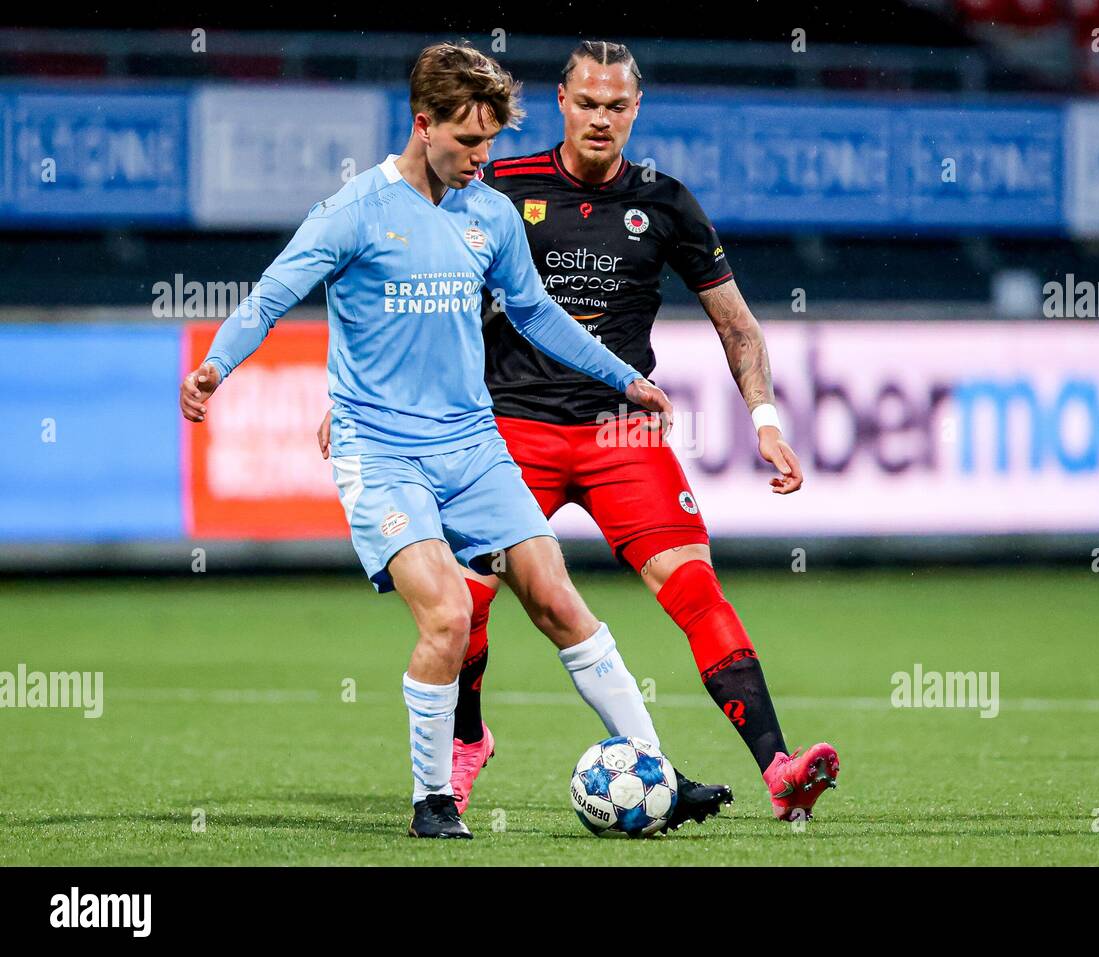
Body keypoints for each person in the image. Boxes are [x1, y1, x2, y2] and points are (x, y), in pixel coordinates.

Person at [183, 42, 730, 840]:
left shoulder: (488, 213)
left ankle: (655, 769)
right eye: (469, 142)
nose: (484, 158)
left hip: (474, 446)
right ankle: (432, 800)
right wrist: (214, 367)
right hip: (383, 451)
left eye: (493, 142)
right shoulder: (355, 212)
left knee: (557, 598)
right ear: (422, 123)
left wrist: (625, 378)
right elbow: (271, 295)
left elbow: (537, 313)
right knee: (446, 615)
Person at [320, 40, 838, 822]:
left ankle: (779, 768)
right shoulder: (495, 184)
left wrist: (764, 418)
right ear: (561, 103)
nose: (601, 118)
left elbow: (738, 327)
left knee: (694, 585)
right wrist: (363, 391)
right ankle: (465, 746)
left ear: (637, 110)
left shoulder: (668, 203)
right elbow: (407, 274)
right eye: (587, 102)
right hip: (506, 429)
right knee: (468, 598)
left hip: (619, 435)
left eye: (616, 105)